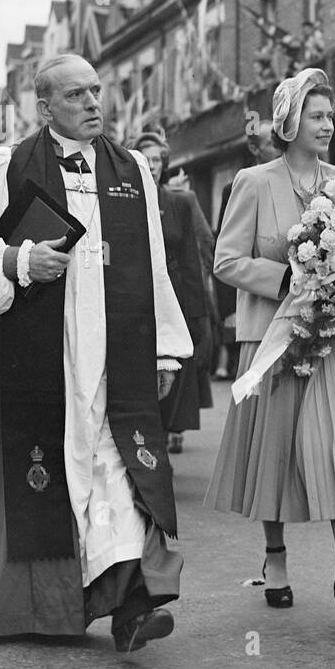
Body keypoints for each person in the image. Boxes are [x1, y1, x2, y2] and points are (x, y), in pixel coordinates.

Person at [0, 53, 193, 653]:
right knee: (52, 470)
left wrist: (165, 352)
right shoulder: (9, 166)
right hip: (43, 350)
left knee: (116, 469)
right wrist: (18, 260)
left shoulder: (131, 171)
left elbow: (153, 265)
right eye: (76, 96)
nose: (93, 104)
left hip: (116, 347)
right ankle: (43, 607)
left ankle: (132, 605)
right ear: (44, 107)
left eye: (97, 91)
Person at [206, 68, 335, 625]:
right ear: (288, 122)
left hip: (333, 338)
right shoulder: (254, 182)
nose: (328, 125)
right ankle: (276, 556)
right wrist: (289, 277)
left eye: (331, 116)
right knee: (276, 451)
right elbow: (226, 260)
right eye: (317, 116)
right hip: (273, 340)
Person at [129, 131, 215, 456]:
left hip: (174, 295)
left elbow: (194, 261)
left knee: (171, 372)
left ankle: (164, 437)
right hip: (135, 298)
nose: (151, 166)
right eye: (144, 159)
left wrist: (199, 316)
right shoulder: (123, 200)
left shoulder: (179, 202)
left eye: (156, 160)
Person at [214, 117, 280, 381]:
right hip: (255, 294)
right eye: (271, 143)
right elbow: (225, 249)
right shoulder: (239, 185)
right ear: (255, 150)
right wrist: (228, 309)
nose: (279, 147)